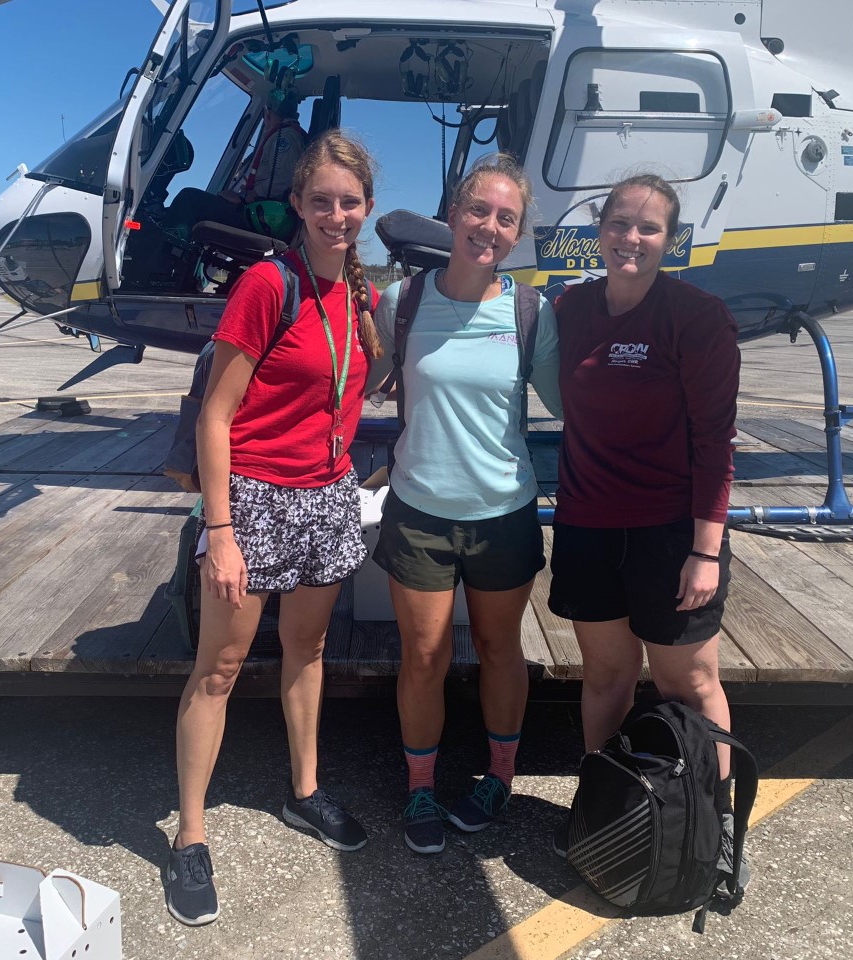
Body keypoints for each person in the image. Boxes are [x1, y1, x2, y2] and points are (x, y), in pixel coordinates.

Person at [165, 129, 382, 926]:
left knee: (310, 649)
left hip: (326, 496)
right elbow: (215, 417)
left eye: (349, 201)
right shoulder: (268, 283)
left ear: (366, 208)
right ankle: (191, 834)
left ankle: (305, 791)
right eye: (320, 200)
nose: (336, 214)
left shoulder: (362, 294)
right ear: (297, 204)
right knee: (218, 669)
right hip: (254, 500)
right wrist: (219, 531)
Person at [547, 173, 744, 891]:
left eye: (649, 228)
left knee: (687, 684)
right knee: (604, 678)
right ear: (598, 231)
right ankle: (604, 807)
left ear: (671, 239)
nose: (631, 238)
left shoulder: (695, 315)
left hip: (670, 533)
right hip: (590, 525)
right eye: (619, 224)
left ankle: (711, 825)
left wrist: (706, 548)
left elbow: (716, 442)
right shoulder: (570, 309)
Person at [366, 154, 562, 855]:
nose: (489, 226)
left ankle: (498, 777)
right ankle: (420, 786)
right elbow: (364, 379)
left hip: (503, 512)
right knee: (422, 656)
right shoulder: (402, 303)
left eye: (505, 218)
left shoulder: (531, 312)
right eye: (479, 211)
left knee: (497, 649)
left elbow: (574, 407)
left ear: (516, 234)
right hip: (419, 509)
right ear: (452, 213)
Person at [164, 86, 306, 238]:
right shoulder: (286, 135)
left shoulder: (284, 138)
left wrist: (243, 198)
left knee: (189, 199)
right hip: (262, 212)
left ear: (268, 114)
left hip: (263, 216)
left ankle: (166, 253)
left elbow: (281, 182)